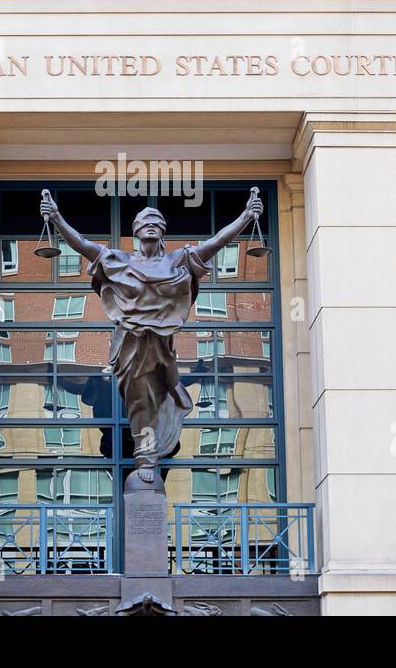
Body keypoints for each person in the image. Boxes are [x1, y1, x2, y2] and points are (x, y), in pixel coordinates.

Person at [38, 188, 264, 484]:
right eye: (145, 222)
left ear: (162, 232)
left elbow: (216, 241)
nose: (150, 224)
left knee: (163, 398)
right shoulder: (118, 261)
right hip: (130, 348)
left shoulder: (178, 261)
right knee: (140, 403)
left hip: (161, 347)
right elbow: (81, 244)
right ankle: (145, 455)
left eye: (156, 222)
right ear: (135, 231)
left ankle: (163, 430)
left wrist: (247, 216)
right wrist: (55, 217)